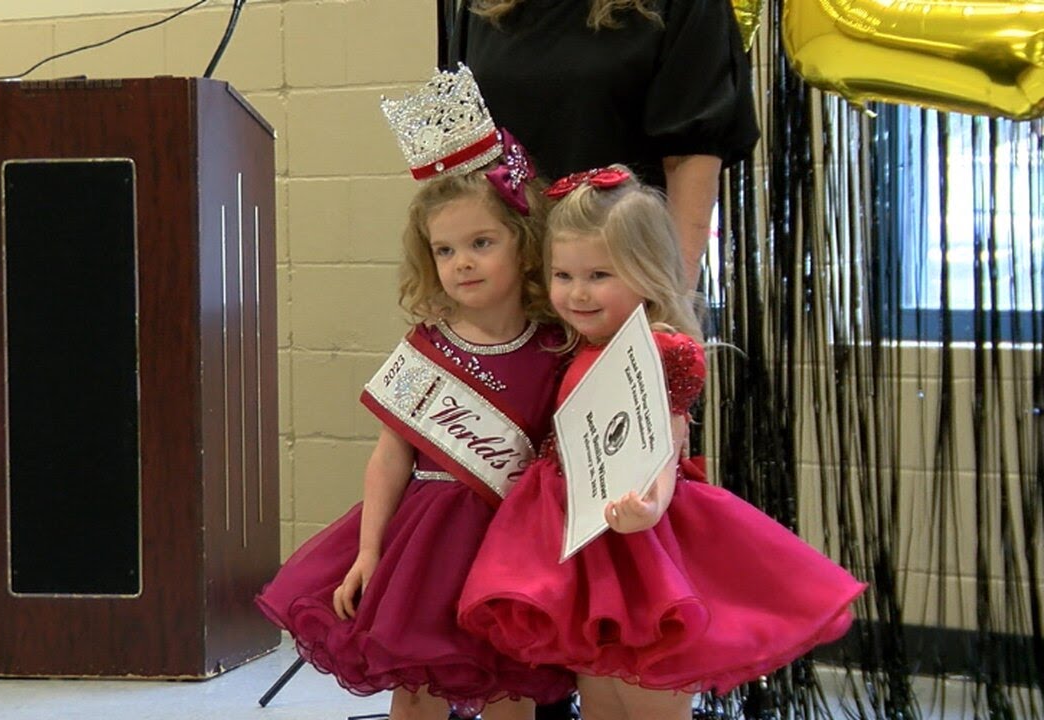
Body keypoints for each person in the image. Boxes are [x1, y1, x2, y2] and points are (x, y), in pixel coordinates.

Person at [457, 166, 868, 720]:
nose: (577, 292)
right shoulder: (577, 345)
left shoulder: (662, 349)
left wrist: (651, 502)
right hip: (576, 531)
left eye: (599, 275)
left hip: (639, 541)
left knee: (650, 690)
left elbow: (668, 442)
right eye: (563, 275)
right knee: (600, 692)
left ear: (647, 271)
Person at [254, 66, 575, 720]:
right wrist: (370, 550)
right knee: (418, 686)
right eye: (445, 250)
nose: (462, 262)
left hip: (510, 549)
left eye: (481, 243)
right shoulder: (426, 348)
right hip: (423, 550)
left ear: (524, 243)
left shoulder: (556, 346)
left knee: (510, 685)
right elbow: (390, 456)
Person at [452, 0, 760, 290]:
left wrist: (675, 298)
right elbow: (460, 155)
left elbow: (690, 155)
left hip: (622, 280)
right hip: (505, 287)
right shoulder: (481, 6)